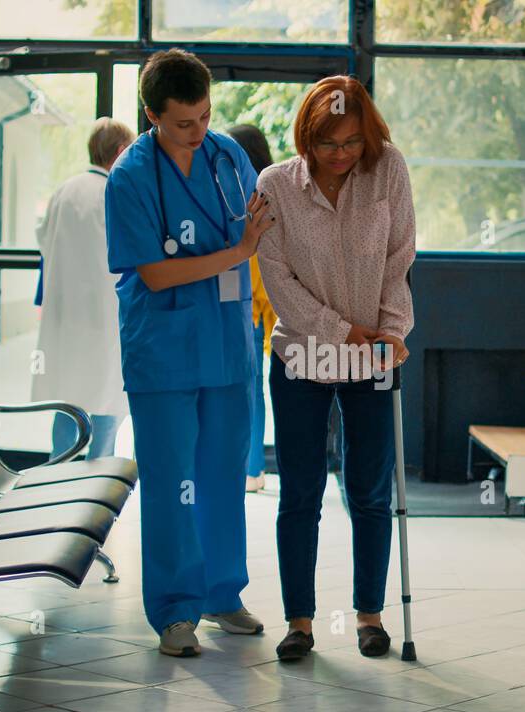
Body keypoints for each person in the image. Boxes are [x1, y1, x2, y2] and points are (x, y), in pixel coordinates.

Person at [104, 49, 276, 657]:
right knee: (173, 482)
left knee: (224, 476)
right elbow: (154, 273)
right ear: (152, 114)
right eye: (183, 122)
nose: (198, 131)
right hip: (165, 350)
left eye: (205, 115)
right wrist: (236, 252)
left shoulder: (230, 157)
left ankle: (222, 592)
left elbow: (263, 232)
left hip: (229, 344)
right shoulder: (130, 176)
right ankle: (176, 611)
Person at [255, 76, 415, 661]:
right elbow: (277, 279)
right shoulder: (275, 185)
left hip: (374, 353)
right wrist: (342, 331)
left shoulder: (387, 169)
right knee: (300, 492)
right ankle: (299, 622)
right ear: (307, 139)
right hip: (302, 354)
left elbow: (401, 258)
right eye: (328, 145)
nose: (341, 154)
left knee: (369, 491)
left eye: (351, 142)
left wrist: (392, 332)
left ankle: (369, 616)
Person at [33, 117, 134, 460]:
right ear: (121, 151)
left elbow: (45, 244)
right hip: (105, 317)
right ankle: (96, 482)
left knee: (67, 402)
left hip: (66, 316)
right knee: (107, 401)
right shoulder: (116, 191)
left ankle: (56, 480)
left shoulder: (64, 191)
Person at [226, 124, 277, 493]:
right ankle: (253, 469)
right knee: (254, 385)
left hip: (237, 298)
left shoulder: (239, 191)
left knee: (238, 387)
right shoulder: (274, 190)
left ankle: (242, 466)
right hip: (262, 301)